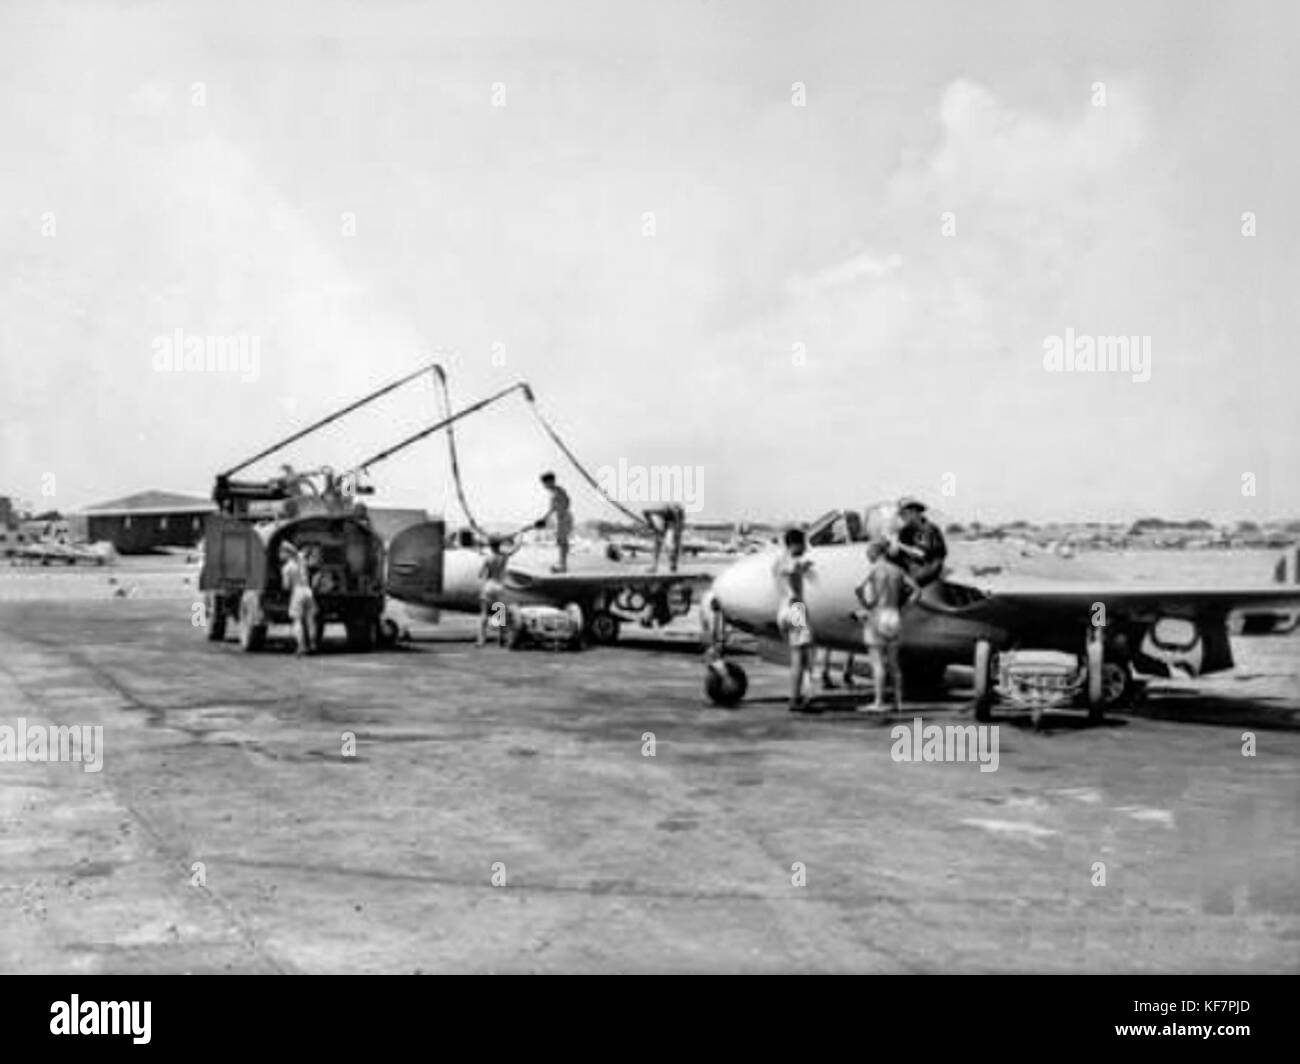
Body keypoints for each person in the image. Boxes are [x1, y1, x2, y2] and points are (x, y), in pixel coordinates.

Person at [855, 538, 918, 714]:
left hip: (877, 614)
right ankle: (898, 702)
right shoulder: (898, 570)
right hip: (894, 615)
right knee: (894, 663)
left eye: (870, 552)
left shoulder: (874, 569)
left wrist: (867, 604)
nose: (868, 555)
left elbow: (858, 588)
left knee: (877, 663)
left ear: (877, 552)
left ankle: (878, 701)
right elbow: (916, 591)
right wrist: (904, 607)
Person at [774, 527, 818, 713]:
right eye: (803, 544)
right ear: (796, 543)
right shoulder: (789, 561)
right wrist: (804, 566)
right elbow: (793, 567)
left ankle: (801, 695)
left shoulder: (777, 562)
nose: (805, 548)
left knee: (799, 656)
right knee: (801, 657)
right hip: (796, 609)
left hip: (784, 608)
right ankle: (796, 698)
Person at [891, 497, 947, 588]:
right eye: (901, 515)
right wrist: (892, 550)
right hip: (911, 567)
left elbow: (924, 554)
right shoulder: (904, 531)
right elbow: (899, 555)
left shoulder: (929, 529)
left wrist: (901, 546)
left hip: (928, 568)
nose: (902, 517)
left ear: (914, 512)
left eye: (904, 514)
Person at [477, 535, 520, 647]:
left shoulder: (488, 558)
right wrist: (520, 537)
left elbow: (480, 574)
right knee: (499, 613)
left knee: (484, 613)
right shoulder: (504, 556)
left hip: (489, 585)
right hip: (499, 586)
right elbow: (515, 548)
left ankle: (481, 639)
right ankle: (502, 638)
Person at [280, 542, 318, 656]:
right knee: (310, 619)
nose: (280, 555)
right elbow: (305, 551)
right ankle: (312, 643)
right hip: (308, 591)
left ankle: (301, 646)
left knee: (297, 620)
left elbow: (286, 586)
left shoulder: (287, 568)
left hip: (297, 592)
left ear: (287, 554)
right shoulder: (301, 560)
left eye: (282, 552)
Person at [534, 472, 573, 573]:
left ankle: (563, 566)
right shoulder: (554, 493)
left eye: (545, 483)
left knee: (562, 541)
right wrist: (543, 519)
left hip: (564, 517)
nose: (544, 486)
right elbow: (552, 509)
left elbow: (566, 502)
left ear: (551, 481)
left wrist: (562, 513)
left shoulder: (559, 491)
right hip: (561, 518)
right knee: (560, 541)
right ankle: (562, 564)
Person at [643, 503, 685, 574]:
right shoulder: (655, 512)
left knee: (672, 544)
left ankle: (673, 565)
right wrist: (652, 524)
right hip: (666, 517)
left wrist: (668, 534)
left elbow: (676, 528)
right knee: (657, 542)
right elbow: (646, 512)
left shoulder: (677, 515)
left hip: (675, 520)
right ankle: (654, 566)